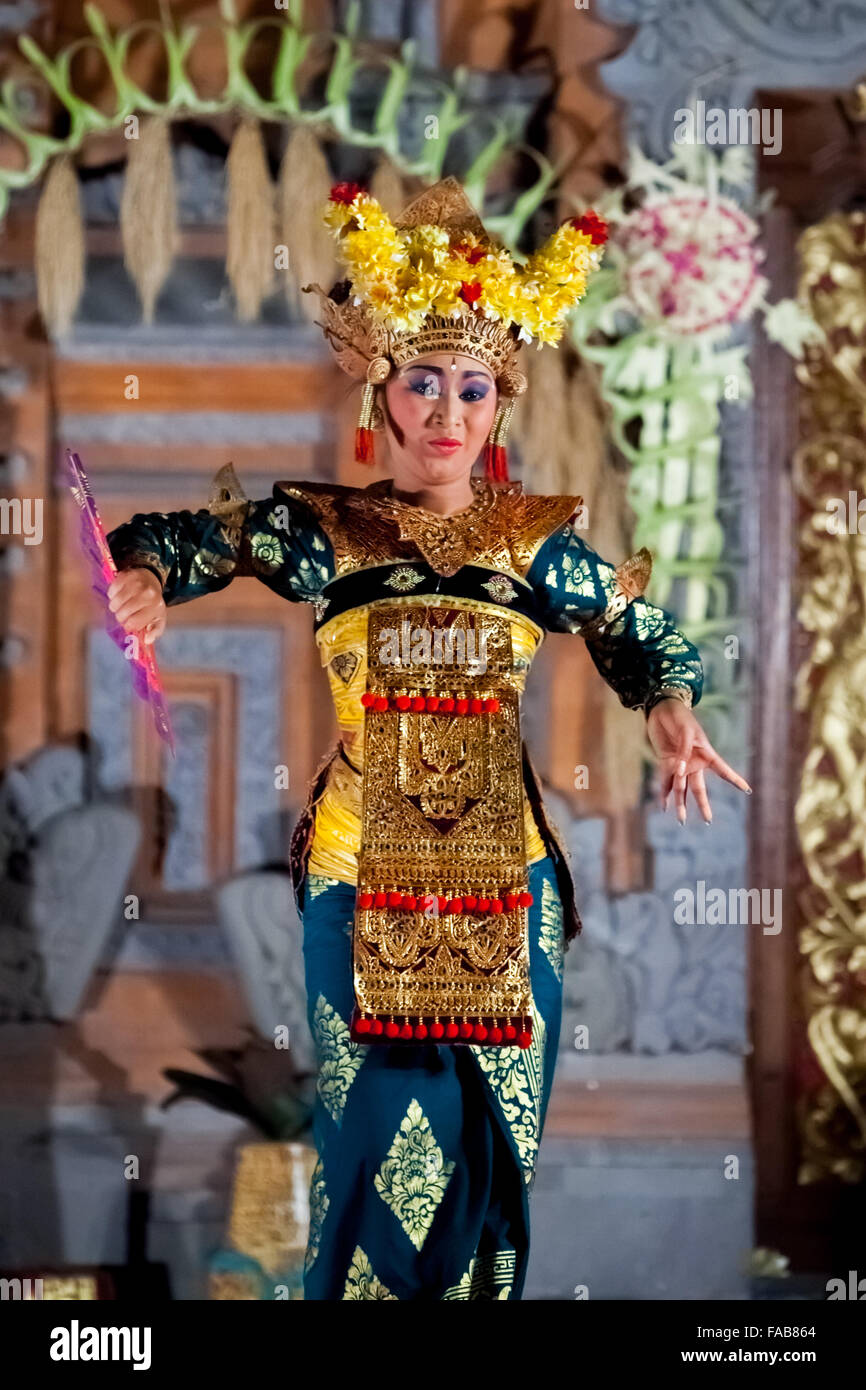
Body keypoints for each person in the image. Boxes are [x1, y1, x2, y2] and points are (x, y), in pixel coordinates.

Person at [105, 177, 750, 1300]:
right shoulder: (327, 533)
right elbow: (178, 537)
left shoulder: (531, 545)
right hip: (359, 871)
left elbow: (636, 634)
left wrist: (666, 707)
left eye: (469, 388)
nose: (445, 413)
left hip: (504, 882)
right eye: (420, 383)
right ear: (381, 394)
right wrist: (151, 579)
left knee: (490, 1156)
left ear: (498, 403)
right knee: (373, 1144)